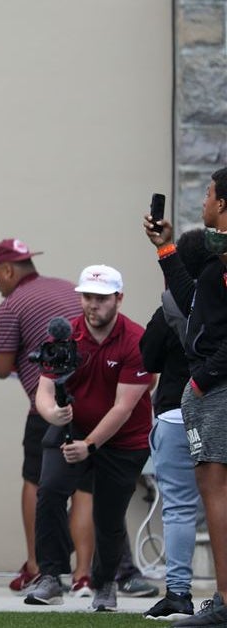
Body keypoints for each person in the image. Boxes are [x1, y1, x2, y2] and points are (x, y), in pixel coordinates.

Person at [23, 264, 152, 613]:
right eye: (87, 297)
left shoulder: (136, 340)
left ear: (118, 299)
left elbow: (123, 408)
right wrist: (53, 414)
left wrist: (90, 445)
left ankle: (106, 583)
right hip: (72, 430)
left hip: (123, 440)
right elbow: (45, 391)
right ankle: (51, 576)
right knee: (49, 492)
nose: (92, 305)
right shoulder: (64, 337)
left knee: (109, 516)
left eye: (101, 298)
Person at [0, 238, 95, 595]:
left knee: (36, 482)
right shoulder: (67, 289)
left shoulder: (12, 304)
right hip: (91, 404)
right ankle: (83, 575)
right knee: (83, 488)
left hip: (49, 407)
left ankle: (37, 565)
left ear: (8, 271)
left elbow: (2, 365)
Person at [144, 166, 227, 628]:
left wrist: (202, 380)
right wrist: (165, 248)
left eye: (210, 194)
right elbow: (195, 302)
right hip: (212, 387)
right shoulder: (217, 261)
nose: (204, 202)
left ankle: (225, 601)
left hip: (216, 387)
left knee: (215, 489)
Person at [137, 230, 214, 620]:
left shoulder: (170, 306)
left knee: (180, 509)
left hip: (174, 413)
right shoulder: (220, 302)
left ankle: (180, 592)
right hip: (219, 410)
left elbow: (147, 357)